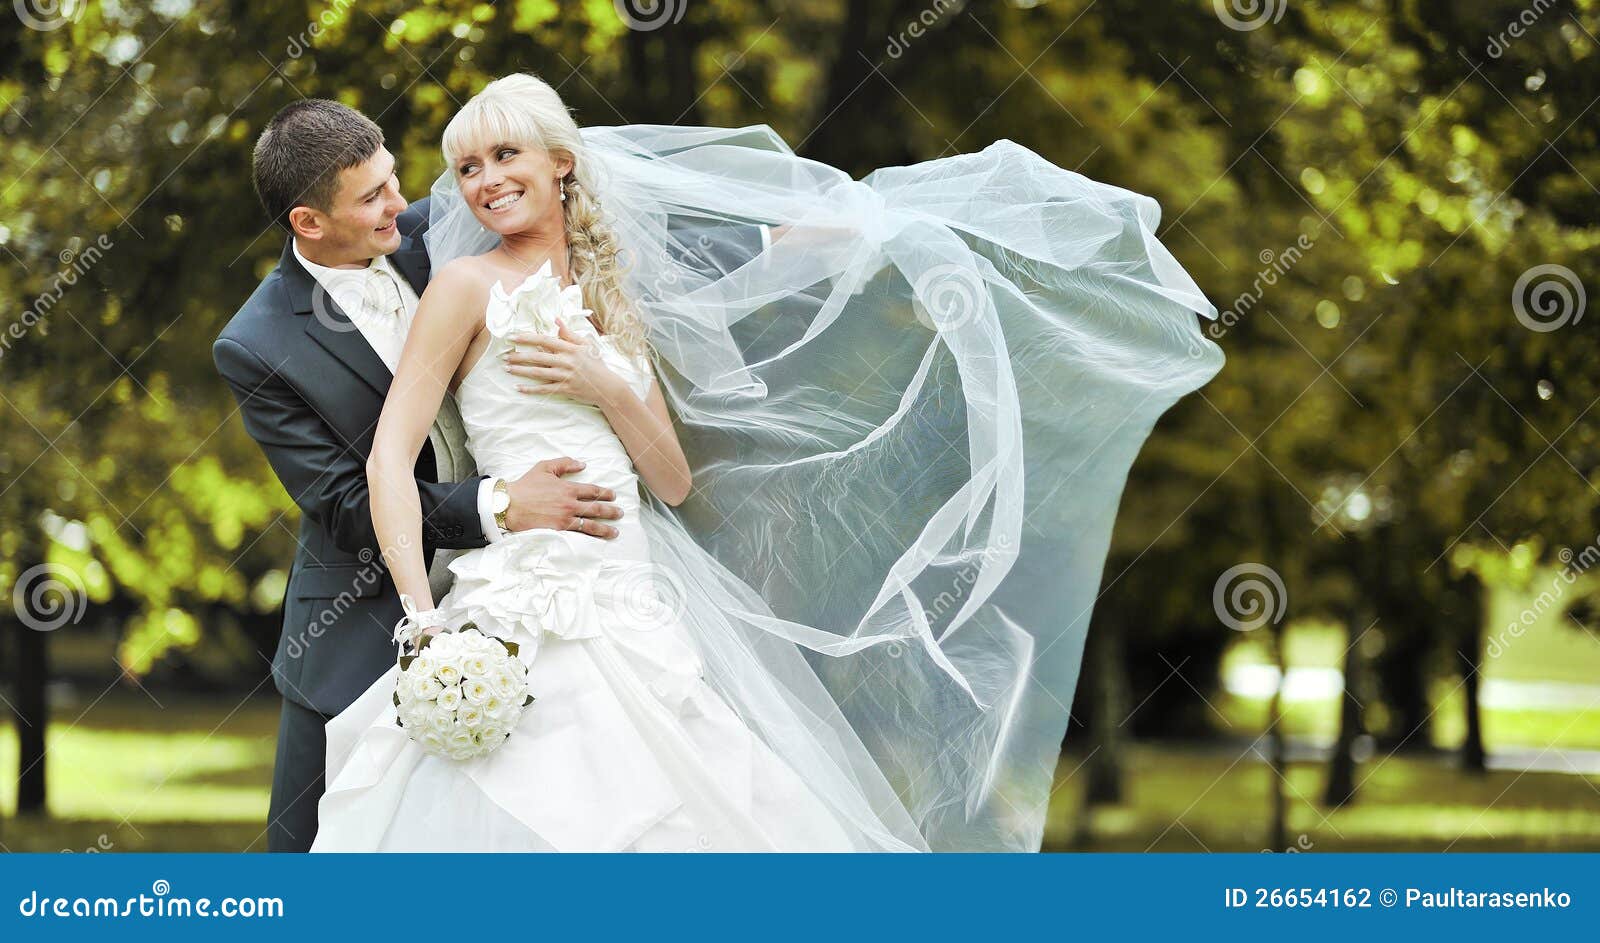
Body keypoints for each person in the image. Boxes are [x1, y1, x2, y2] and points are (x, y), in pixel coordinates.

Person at [309, 73, 1223, 852]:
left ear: (561, 161)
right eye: (467, 167)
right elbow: (393, 458)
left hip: (635, 601)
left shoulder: (611, 296)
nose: (485, 181)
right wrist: (425, 621)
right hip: (521, 600)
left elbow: (670, 481)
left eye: (506, 155)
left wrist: (608, 381)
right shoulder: (466, 287)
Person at [212, 98, 771, 852]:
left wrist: (605, 380)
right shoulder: (257, 342)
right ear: (309, 223)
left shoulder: (445, 233)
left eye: (395, 179)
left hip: (604, 581)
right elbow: (348, 499)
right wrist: (502, 507)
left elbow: (620, 221)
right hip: (370, 611)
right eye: (374, 196)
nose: (405, 205)